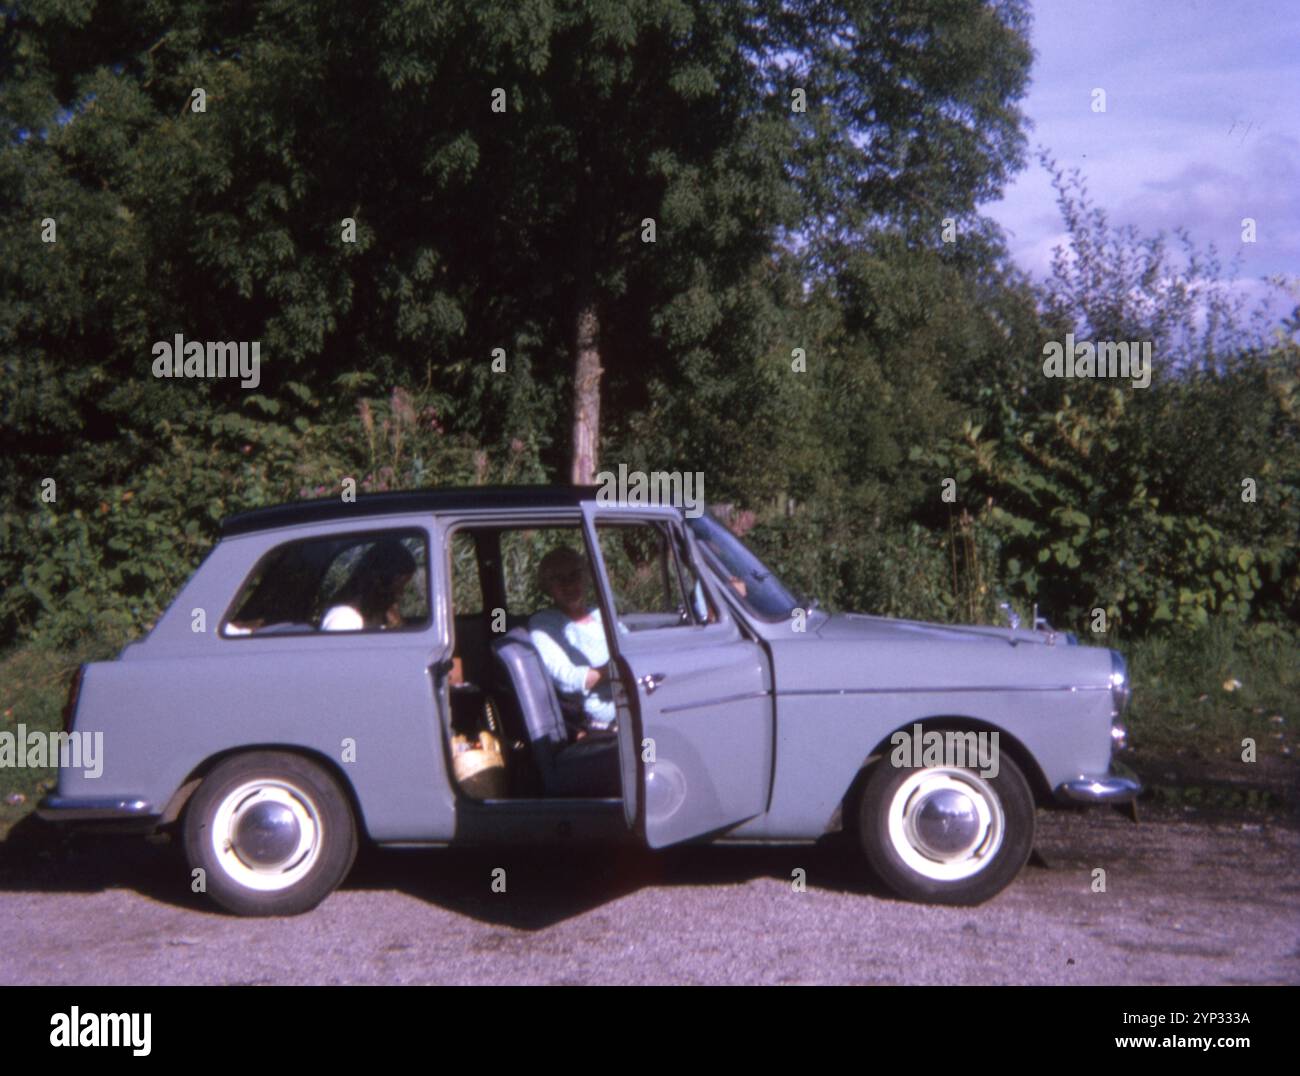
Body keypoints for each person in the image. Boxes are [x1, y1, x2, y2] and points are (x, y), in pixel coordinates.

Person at [528, 547, 616, 731]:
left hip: (632, 701)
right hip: (601, 721)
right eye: (558, 579)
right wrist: (610, 671)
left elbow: (630, 648)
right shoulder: (545, 624)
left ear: (585, 578)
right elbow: (566, 679)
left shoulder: (600, 614)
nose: (569, 585)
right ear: (547, 586)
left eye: (574, 575)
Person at [321, 539, 417, 631]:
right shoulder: (344, 619)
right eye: (399, 587)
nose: (401, 594)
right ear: (380, 581)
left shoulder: (378, 615)